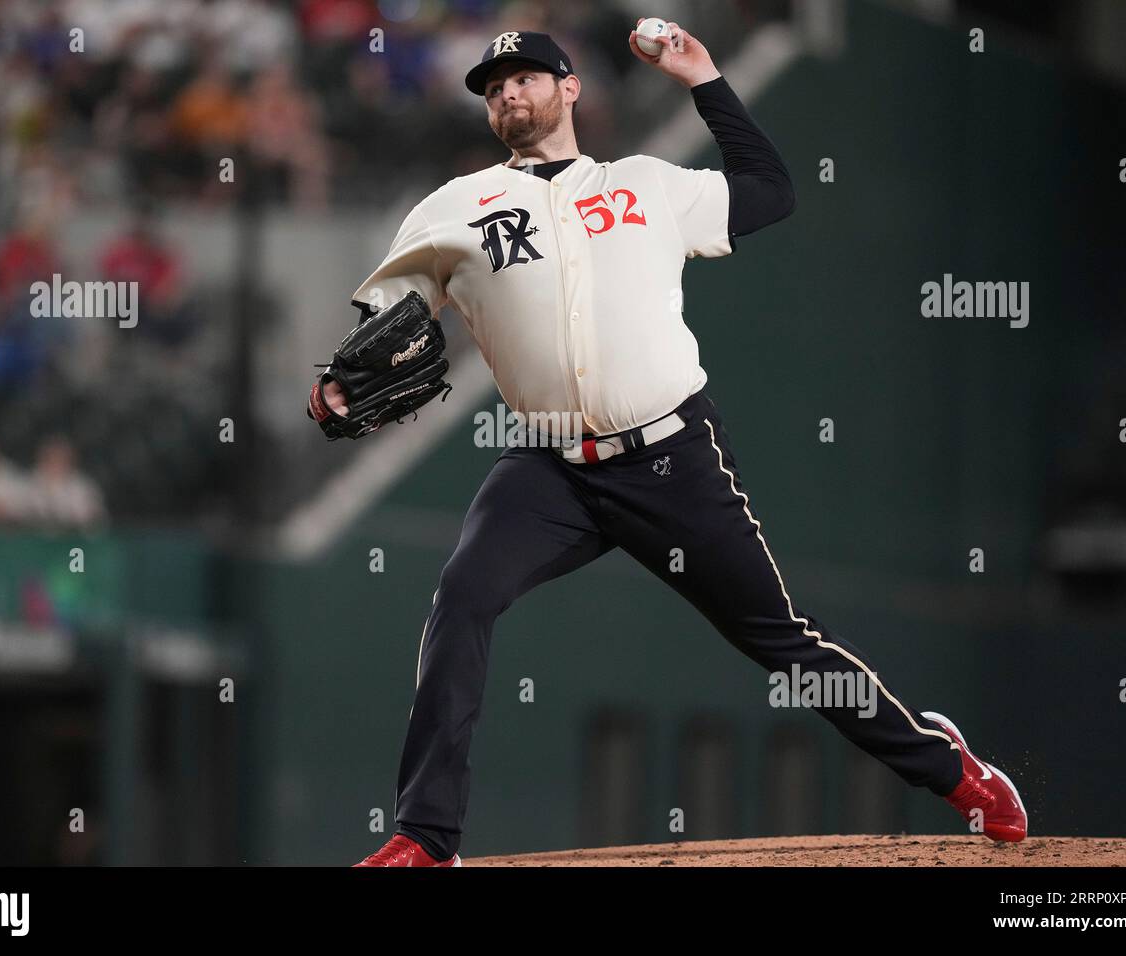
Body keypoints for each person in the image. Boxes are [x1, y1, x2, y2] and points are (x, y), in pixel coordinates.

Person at [344, 24, 1026, 868]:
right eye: (492, 88)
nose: (507, 94)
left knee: (784, 645)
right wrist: (343, 383)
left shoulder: (647, 185)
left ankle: (956, 772)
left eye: (523, 78)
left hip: (670, 459)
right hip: (548, 467)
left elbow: (772, 191)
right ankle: (426, 835)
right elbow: (386, 324)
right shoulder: (453, 208)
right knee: (461, 598)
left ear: (569, 88)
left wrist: (704, 78)